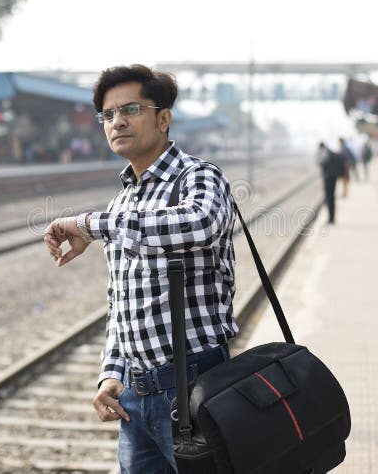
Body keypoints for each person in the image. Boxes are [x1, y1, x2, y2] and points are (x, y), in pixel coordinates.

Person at [42, 65, 237, 473]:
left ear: (163, 119)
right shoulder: (121, 204)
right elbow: (121, 302)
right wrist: (111, 373)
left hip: (194, 384)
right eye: (109, 115)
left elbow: (199, 223)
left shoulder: (198, 178)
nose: (118, 121)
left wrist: (89, 225)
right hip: (135, 395)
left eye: (130, 109)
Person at [318, 142, 344, 224]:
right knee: (332, 197)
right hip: (334, 177)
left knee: (329, 198)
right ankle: (332, 218)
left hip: (328, 178)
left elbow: (321, 163)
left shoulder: (324, 153)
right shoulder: (332, 153)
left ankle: (331, 218)